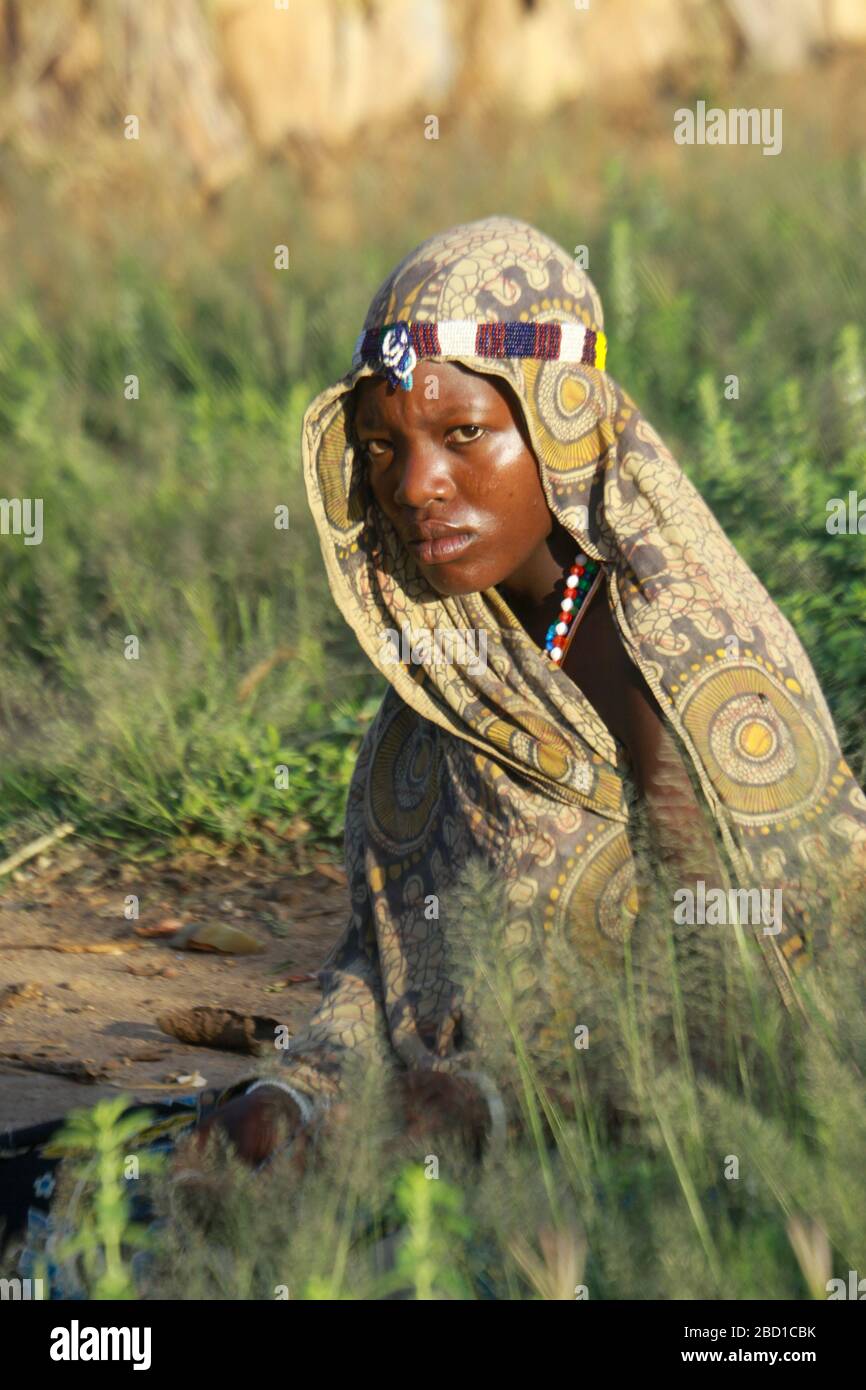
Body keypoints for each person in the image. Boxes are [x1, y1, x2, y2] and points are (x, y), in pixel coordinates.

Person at [198, 215, 866, 1164]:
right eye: (384, 447)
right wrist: (296, 1095)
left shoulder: (670, 664)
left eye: (463, 433)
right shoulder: (453, 668)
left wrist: (502, 1111)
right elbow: (393, 967)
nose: (417, 483)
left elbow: (736, 999)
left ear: (560, 424)